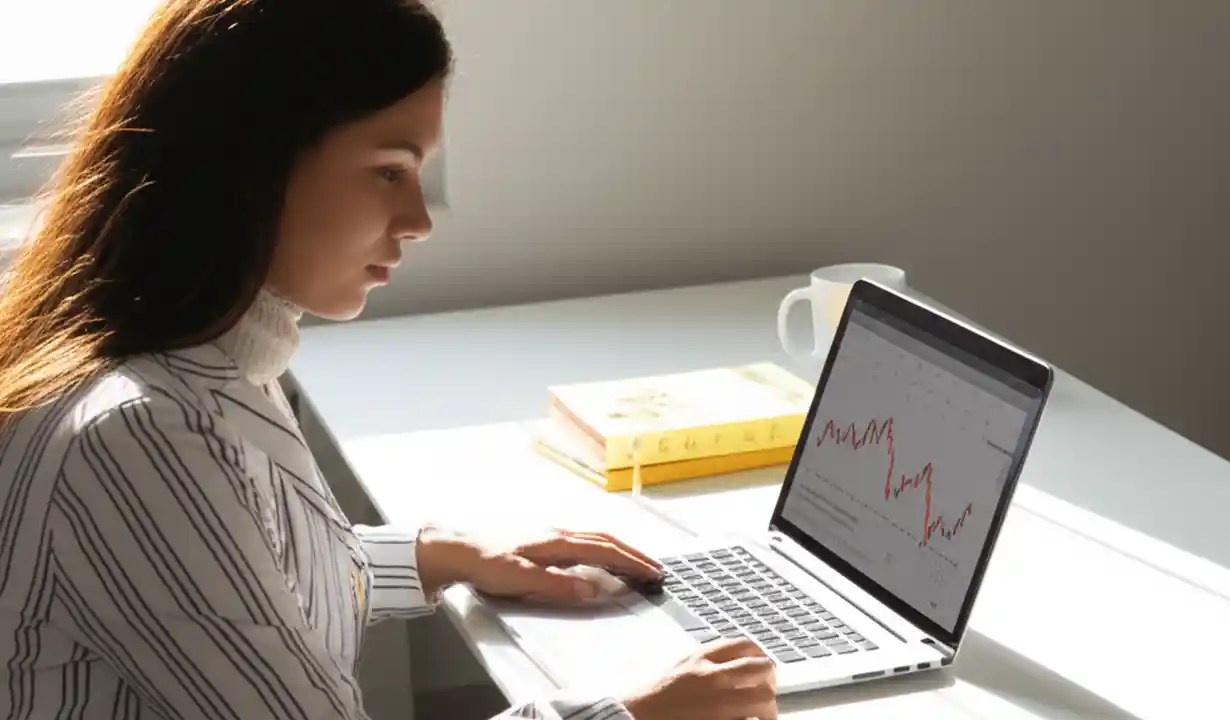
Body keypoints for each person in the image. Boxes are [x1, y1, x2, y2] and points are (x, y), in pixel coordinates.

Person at [0, 1, 779, 718]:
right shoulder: (145, 434)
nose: (416, 221)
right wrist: (634, 717)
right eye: (387, 172)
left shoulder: (201, 360)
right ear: (252, 166)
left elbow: (239, 589)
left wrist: (443, 554)